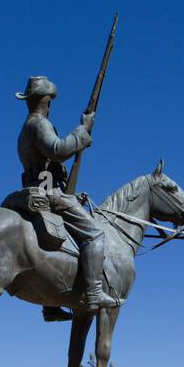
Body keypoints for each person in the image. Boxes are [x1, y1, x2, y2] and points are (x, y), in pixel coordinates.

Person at [13, 75, 118, 317]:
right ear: (46, 101)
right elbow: (58, 151)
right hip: (49, 193)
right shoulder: (39, 125)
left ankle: (51, 305)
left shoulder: (24, 129)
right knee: (94, 234)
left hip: (38, 187)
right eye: (50, 102)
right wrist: (83, 129)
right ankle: (93, 293)